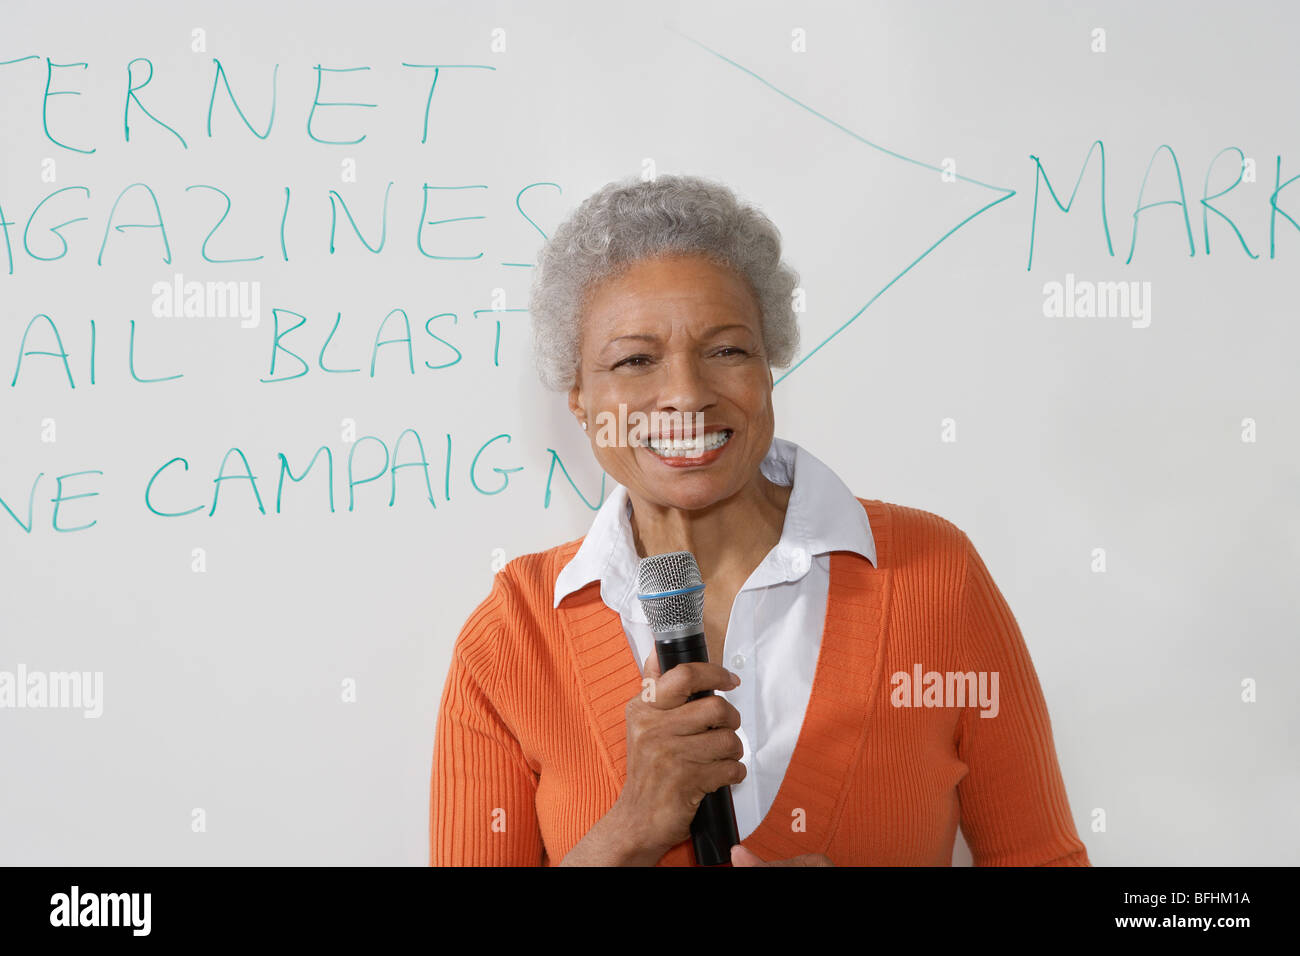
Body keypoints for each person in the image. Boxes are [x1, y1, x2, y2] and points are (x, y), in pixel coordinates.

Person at [429, 173, 1090, 867]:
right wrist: (630, 829)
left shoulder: (934, 579)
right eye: (634, 360)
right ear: (580, 399)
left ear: (768, 368)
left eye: (726, 350)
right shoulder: (511, 641)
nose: (685, 393)